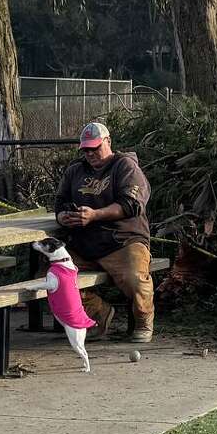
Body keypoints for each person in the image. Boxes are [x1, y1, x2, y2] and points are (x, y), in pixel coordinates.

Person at [54, 121, 155, 343]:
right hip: (84, 243)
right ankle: (98, 313)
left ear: (108, 142)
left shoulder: (126, 166)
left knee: (135, 279)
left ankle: (143, 321)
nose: (90, 153)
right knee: (53, 279)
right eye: (86, 149)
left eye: (95, 148)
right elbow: (60, 202)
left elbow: (132, 204)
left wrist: (95, 215)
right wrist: (63, 217)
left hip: (124, 240)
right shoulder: (74, 171)